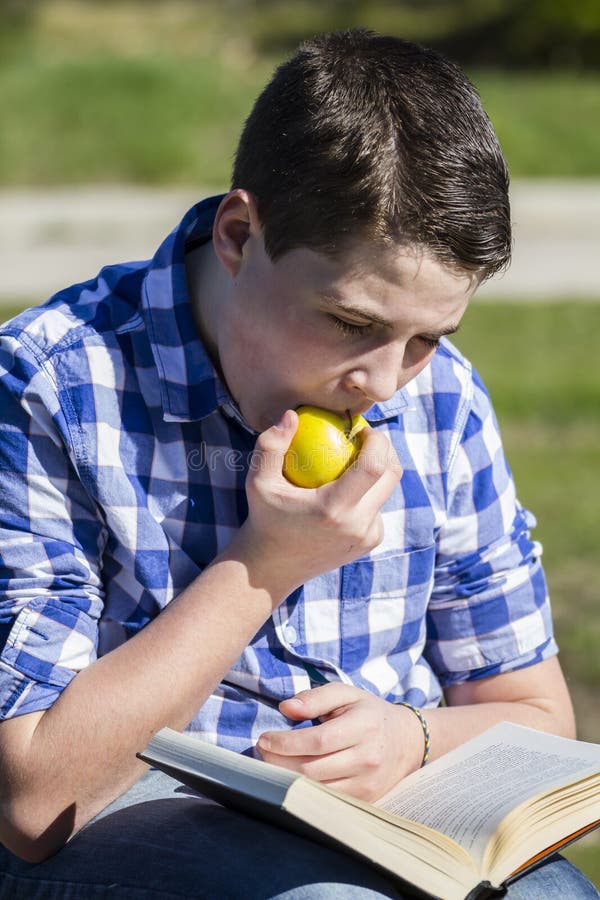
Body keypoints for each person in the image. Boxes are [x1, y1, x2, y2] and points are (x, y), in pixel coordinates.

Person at [0, 28, 597, 900]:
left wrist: (411, 738)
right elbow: (35, 799)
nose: (383, 384)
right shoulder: (51, 386)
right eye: (352, 324)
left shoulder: (444, 399)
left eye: (427, 337)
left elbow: (536, 710)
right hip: (125, 816)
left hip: (391, 811)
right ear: (240, 234)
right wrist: (268, 562)